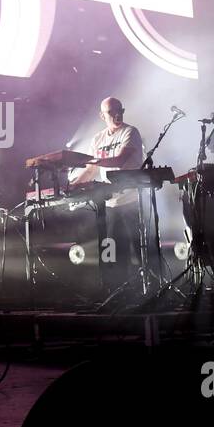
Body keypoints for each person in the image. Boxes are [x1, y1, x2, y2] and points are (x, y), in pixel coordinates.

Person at [71, 97, 145, 295]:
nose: (117, 114)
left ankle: (149, 289)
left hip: (132, 202)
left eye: (120, 110)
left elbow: (120, 160)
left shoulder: (131, 132)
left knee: (140, 250)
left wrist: (94, 160)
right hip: (109, 205)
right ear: (102, 116)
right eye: (112, 112)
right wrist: (72, 185)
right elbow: (89, 171)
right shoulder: (98, 139)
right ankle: (117, 293)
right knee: (112, 253)